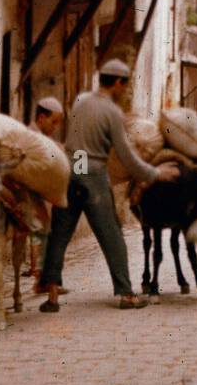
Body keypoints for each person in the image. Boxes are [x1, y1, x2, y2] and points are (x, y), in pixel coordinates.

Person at [38, 59, 179, 312]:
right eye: (125, 85)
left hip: (71, 168)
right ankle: (126, 294)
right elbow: (126, 155)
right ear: (117, 82)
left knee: (60, 232)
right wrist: (155, 172)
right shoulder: (113, 112)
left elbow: (77, 141)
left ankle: (51, 296)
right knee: (111, 233)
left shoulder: (81, 100)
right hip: (93, 172)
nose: (125, 90)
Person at [25, 96, 64, 282]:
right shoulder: (30, 137)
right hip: (20, 195)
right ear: (41, 118)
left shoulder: (41, 139)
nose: (55, 126)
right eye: (53, 121)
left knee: (43, 230)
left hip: (33, 196)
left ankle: (42, 278)